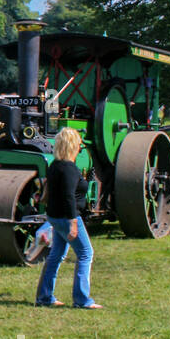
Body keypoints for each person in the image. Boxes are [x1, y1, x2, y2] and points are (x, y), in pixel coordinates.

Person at [35, 127, 102, 309]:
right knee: (86, 254)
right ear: (73, 145)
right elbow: (68, 197)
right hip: (67, 218)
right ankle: (82, 300)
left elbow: (49, 190)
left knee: (56, 255)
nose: (81, 146)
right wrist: (73, 223)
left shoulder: (55, 165)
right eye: (79, 143)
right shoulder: (69, 169)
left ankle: (44, 297)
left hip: (54, 217)